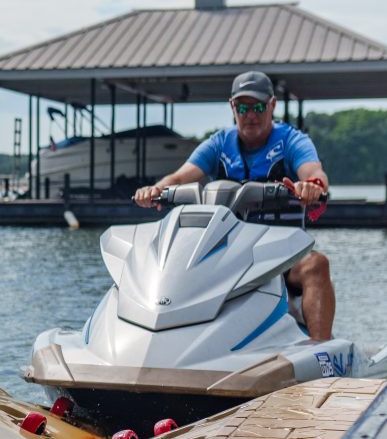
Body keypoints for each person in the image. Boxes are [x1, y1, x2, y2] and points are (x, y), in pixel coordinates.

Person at [133, 70, 336, 340]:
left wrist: (313, 185)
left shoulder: (292, 140)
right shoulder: (219, 143)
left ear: (272, 106)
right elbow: (181, 176)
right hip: (226, 257)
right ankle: (157, 340)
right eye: (243, 107)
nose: (250, 114)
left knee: (316, 264)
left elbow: (314, 171)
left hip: (279, 257)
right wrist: (156, 189)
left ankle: (320, 351)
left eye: (258, 107)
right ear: (232, 107)